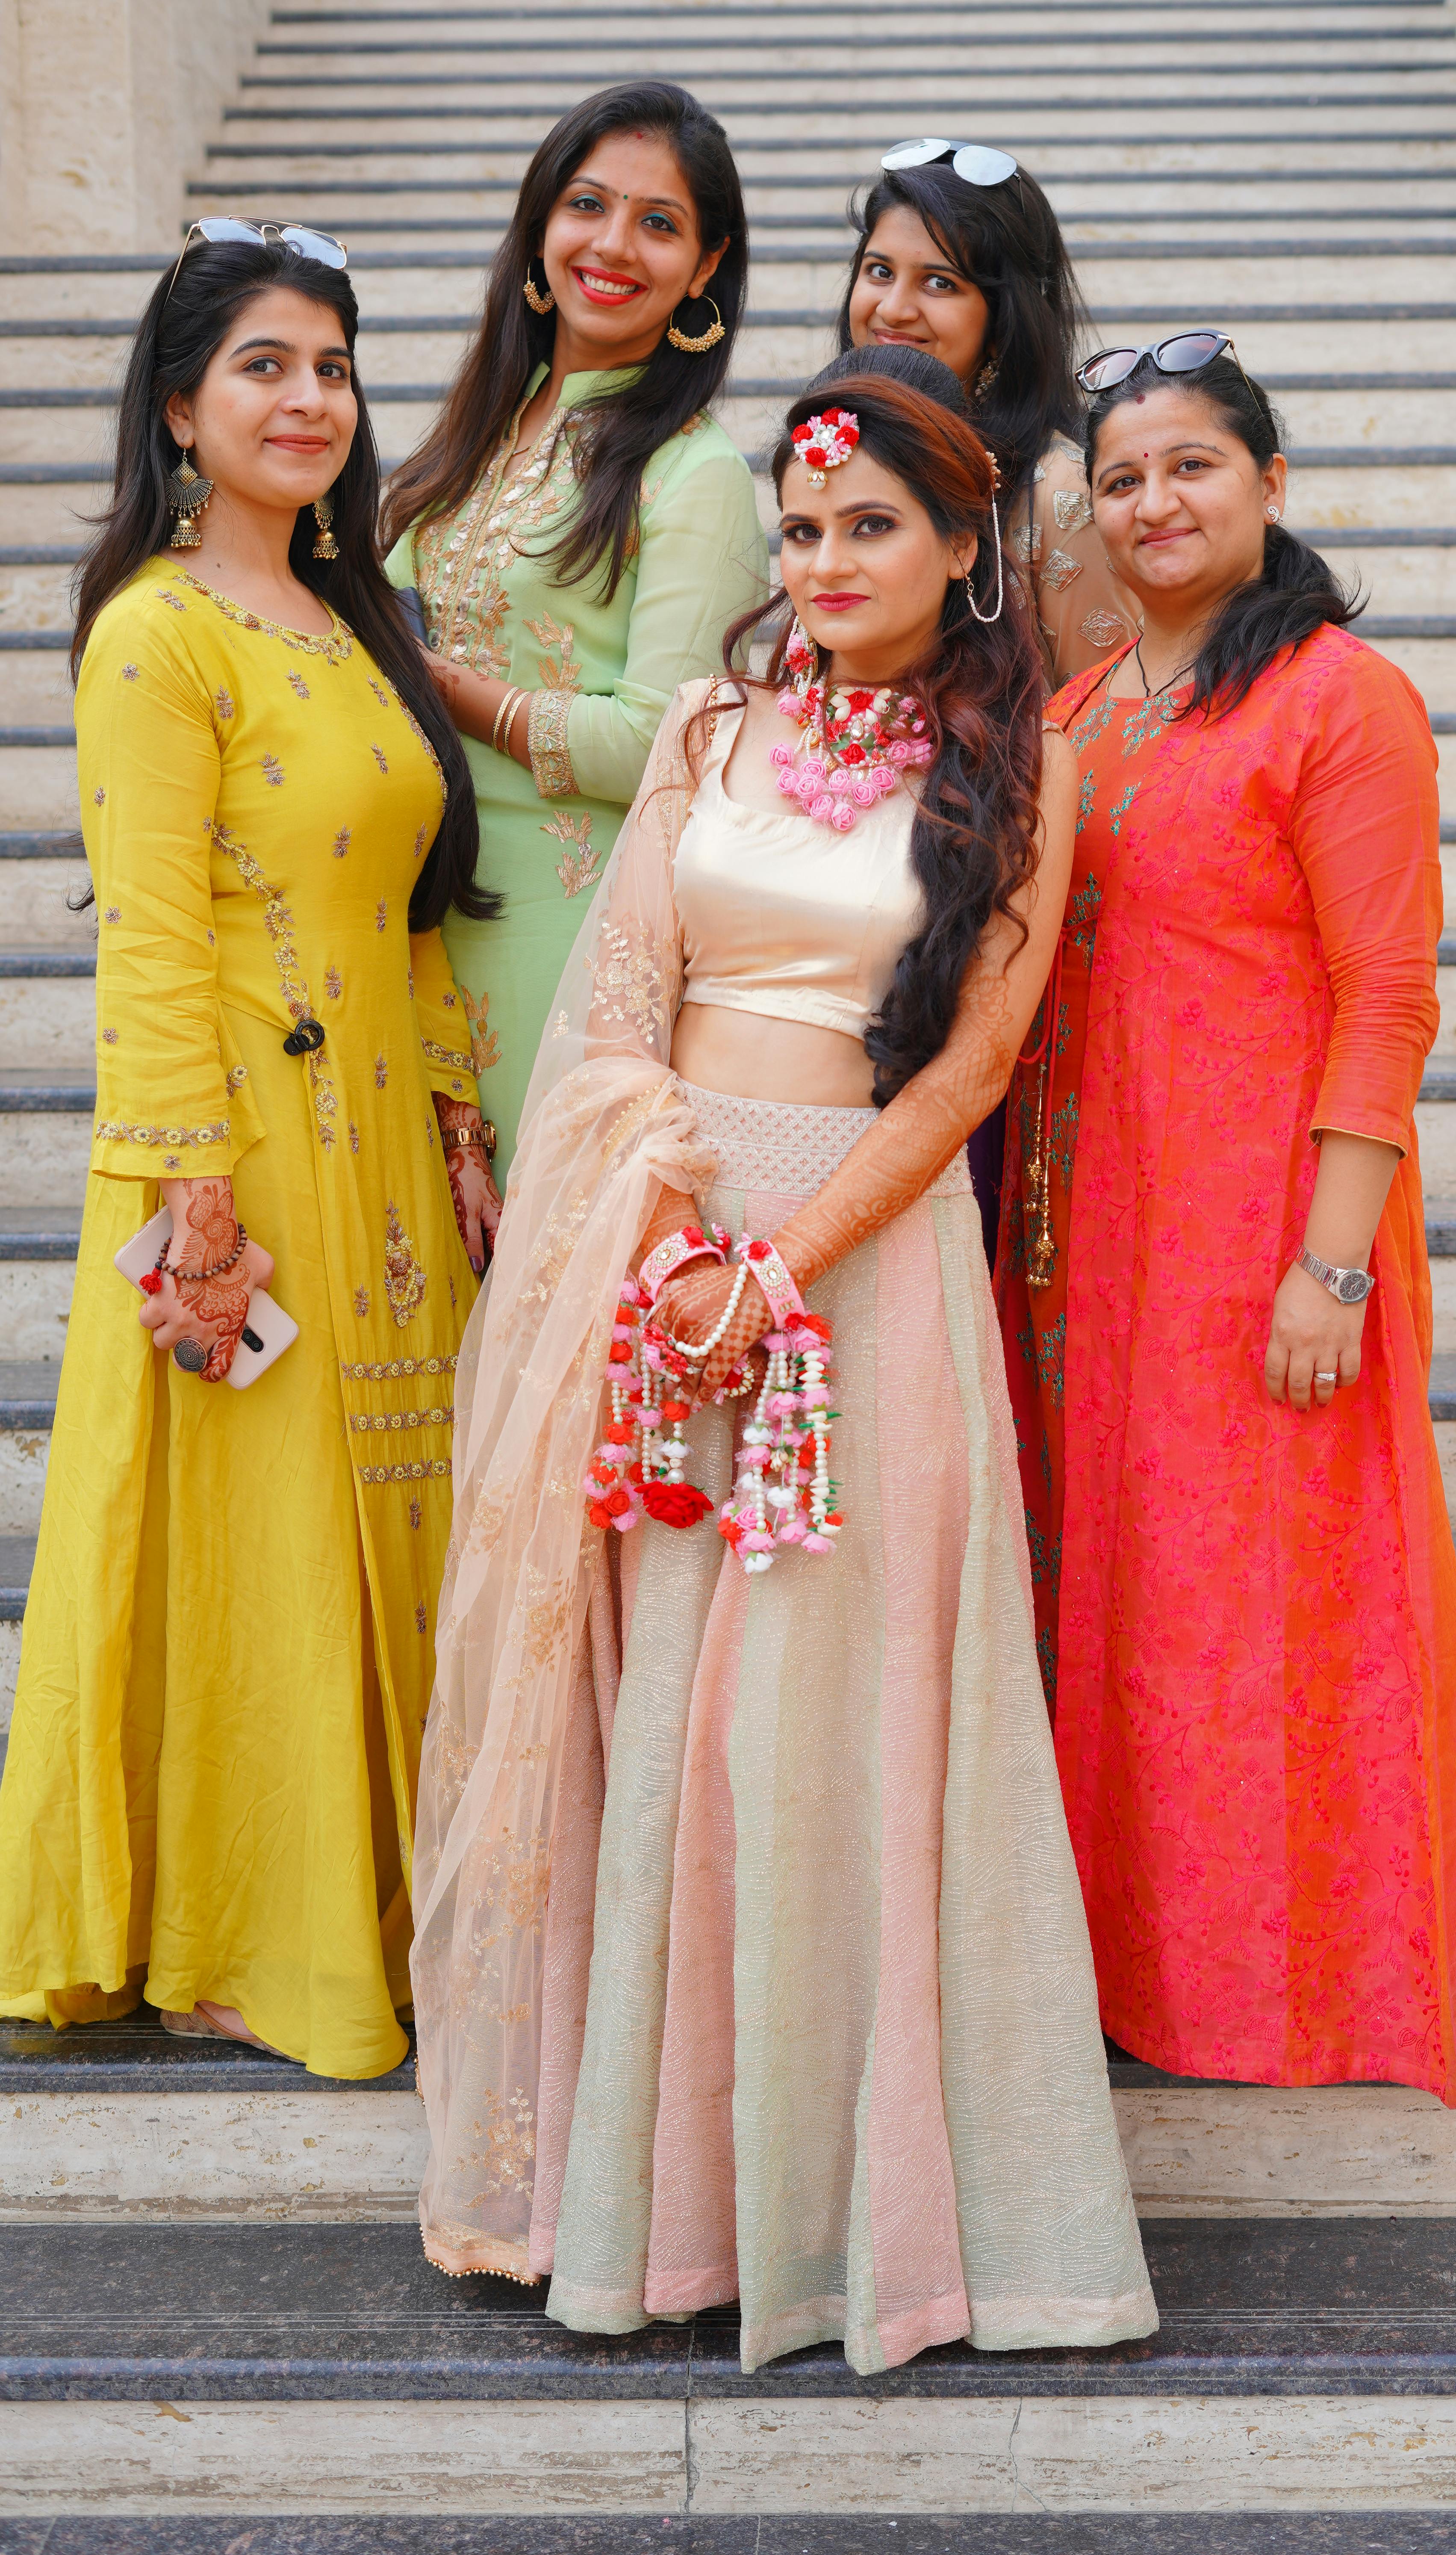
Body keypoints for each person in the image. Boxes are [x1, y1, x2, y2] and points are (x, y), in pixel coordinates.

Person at [410, 376, 1156, 2374]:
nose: (824, 566)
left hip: (863, 1279)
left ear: (961, 549)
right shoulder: (707, 730)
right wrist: (668, 1239)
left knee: (829, 1721)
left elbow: (969, 1069)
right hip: (664, 1250)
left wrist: (781, 1263)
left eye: (870, 531)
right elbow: (626, 990)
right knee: (670, 1720)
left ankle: (866, 2230)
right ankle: (658, 2213)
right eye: (803, 531)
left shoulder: (1017, 769)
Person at [997, 336, 1456, 2109]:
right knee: (1128, 1598)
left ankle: (1283, 1985)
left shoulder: (1338, 698)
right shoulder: (1082, 715)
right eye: (1123, 478)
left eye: (1192, 468)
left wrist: (1330, 1261)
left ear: (1268, 483)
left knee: (1258, 1612)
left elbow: (1386, 997)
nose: (1154, 504)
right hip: (1095, 1230)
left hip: (1261, 1231)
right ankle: (1127, 1957)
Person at [0, 230, 502, 2079]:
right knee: (257, 1537)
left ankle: (388, 1891)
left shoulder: (359, 616)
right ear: (179, 411)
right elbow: (144, 935)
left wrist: (461, 1118)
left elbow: (421, 903)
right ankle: (227, 1926)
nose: (309, 402)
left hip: (383, 1139)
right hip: (240, 1151)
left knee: (392, 1505)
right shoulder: (155, 630)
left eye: (335, 369)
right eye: (266, 368)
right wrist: (192, 1200)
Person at [381, 81, 770, 1183]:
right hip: (414, 918)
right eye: (587, 205)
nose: (612, 245)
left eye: (659, 223)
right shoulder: (472, 440)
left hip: (565, 940)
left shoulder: (694, 474)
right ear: (539, 228)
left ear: (704, 268)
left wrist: (446, 687)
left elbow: (669, 741)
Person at [837, 140, 1137, 687]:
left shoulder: (1058, 492)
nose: (893, 309)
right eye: (879, 271)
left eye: (939, 283)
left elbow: (1104, 721)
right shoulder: (836, 449)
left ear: (1003, 323)